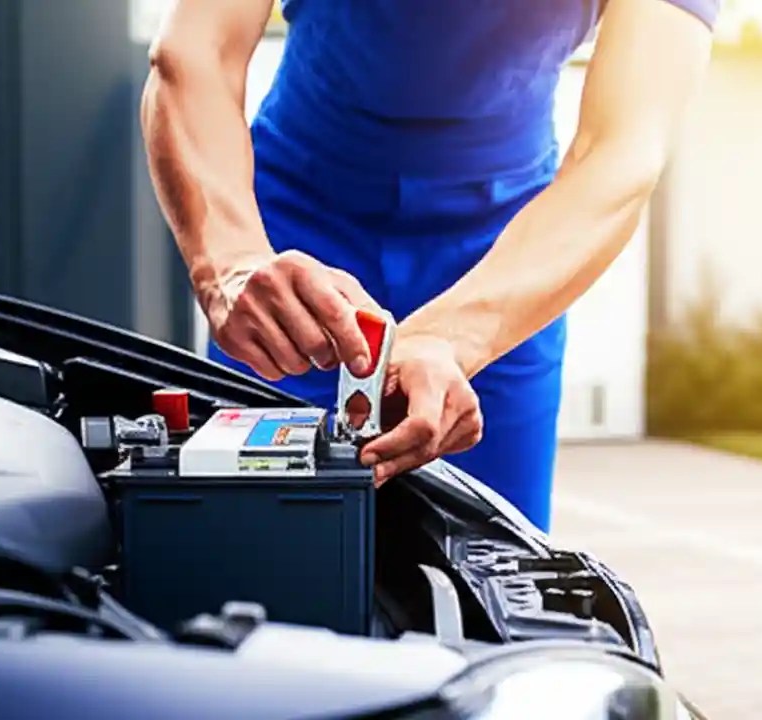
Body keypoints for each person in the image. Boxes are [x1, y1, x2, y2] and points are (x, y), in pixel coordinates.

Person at [140, 0, 716, 532]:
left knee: (484, 586)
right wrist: (232, 262)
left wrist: (452, 338)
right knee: (248, 565)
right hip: (294, 255)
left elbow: (620, 151)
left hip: (504, 264)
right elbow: (197, 51)